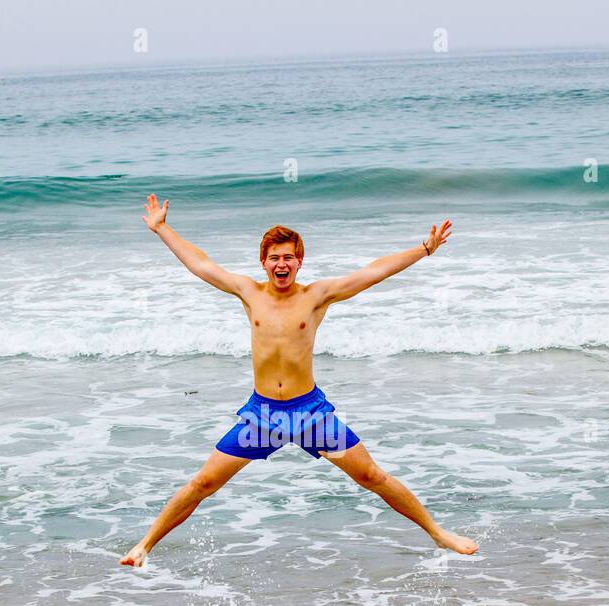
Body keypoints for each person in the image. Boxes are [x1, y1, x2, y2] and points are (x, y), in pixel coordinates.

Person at [119, 194, 478, 567]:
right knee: (202, 484)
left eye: (288, 257)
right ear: (264, 262)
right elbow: (201, 264)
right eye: (274, 257)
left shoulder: (316, 296)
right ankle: (144, 545)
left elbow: (372, 273)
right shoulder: (249, 292)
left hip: (309, 415)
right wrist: (162, 228)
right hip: (262, 417)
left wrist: (425, 249)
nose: (281, 263)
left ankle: (438, 533)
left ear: (299, 262)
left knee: (371, 475)